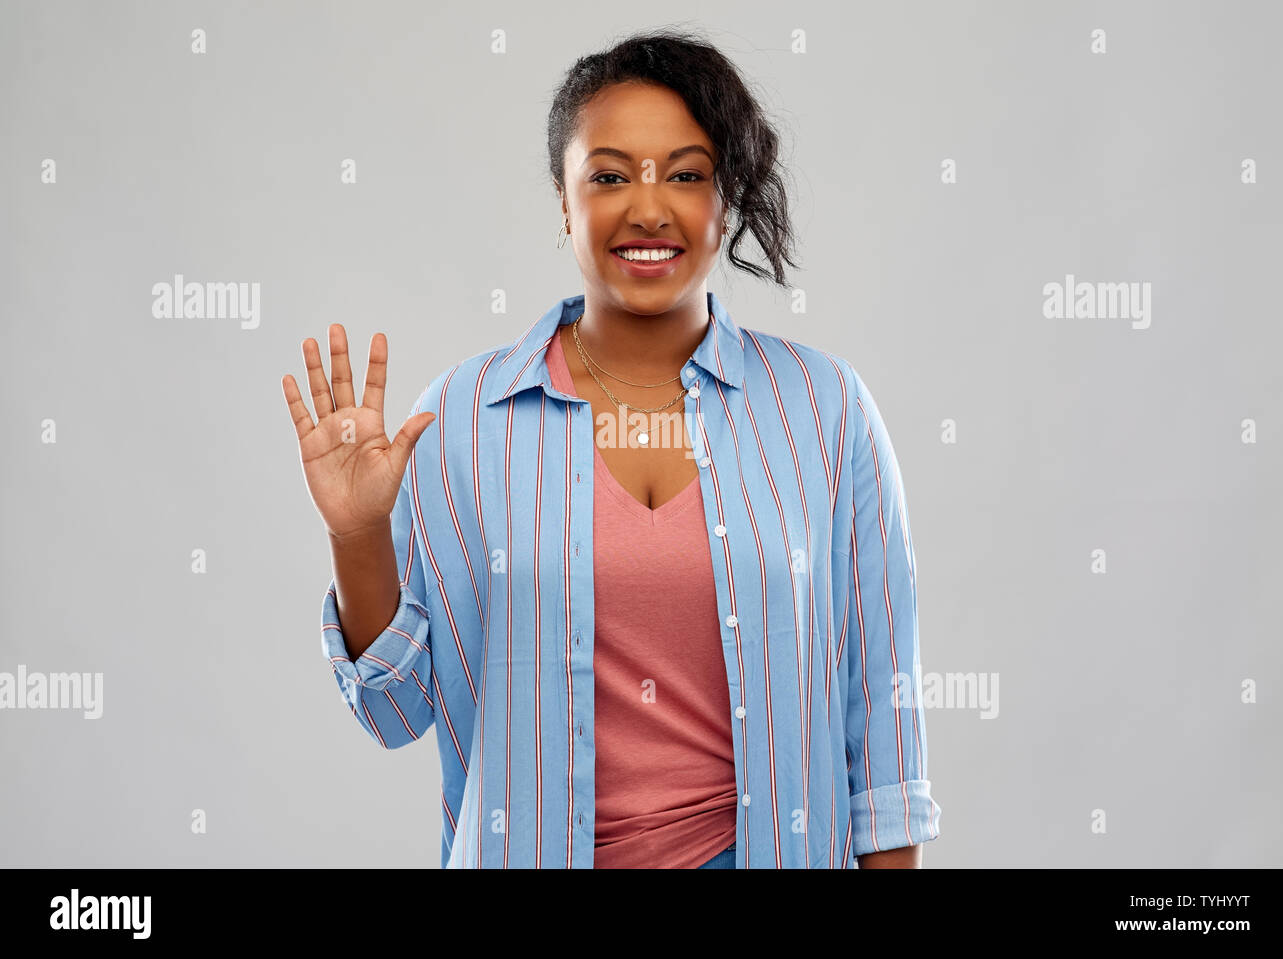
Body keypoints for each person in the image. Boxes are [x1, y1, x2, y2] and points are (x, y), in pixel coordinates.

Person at [281, 28, 941, 869]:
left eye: (688, 174)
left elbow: (883, 713)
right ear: (564, 201)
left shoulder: (826, 407)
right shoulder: (461, 419)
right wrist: (355, 534)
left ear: (725, 201)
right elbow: (395, 709)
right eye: (610, 175)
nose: (649, 207)